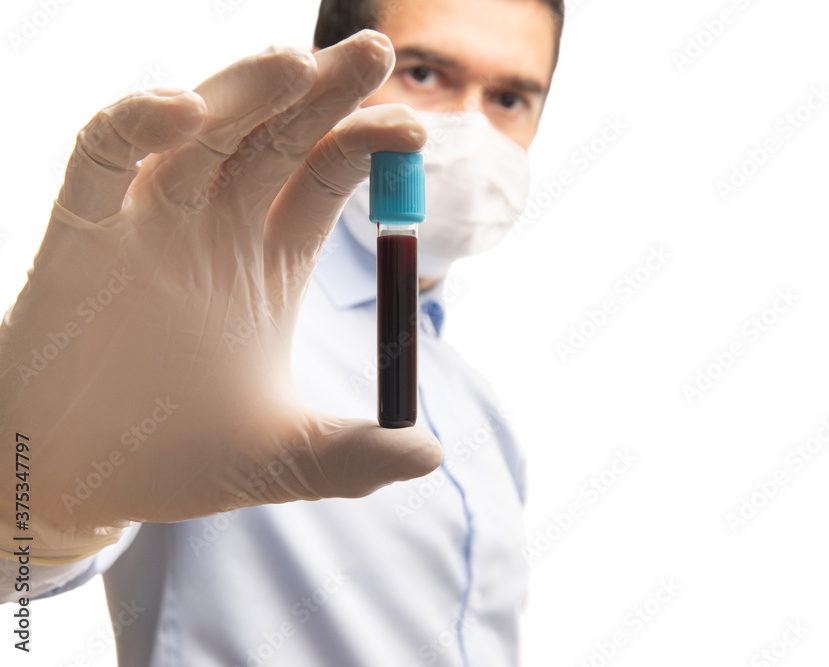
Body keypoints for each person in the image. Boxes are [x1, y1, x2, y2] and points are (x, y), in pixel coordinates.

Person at [0, 0, 563, 664]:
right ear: (337, 77)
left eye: (509, 98)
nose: (469, 127)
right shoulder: (204, 315)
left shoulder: (480, 409)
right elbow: (24, 572)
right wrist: (24, 501)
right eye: (424, 73)